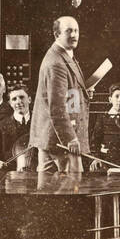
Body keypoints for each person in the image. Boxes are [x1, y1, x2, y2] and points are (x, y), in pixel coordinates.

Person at [30, 15, 89, 173]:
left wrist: (81, 92)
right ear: (56, 34)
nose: (74, 35)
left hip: (52, 138)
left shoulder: (63, 56)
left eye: (76, 30)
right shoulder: (57, 62)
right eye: (69, 31)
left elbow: (66, 94)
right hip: (60, 141)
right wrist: (70, 138)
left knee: (48, 189)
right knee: (74, 187)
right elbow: (57, 107)